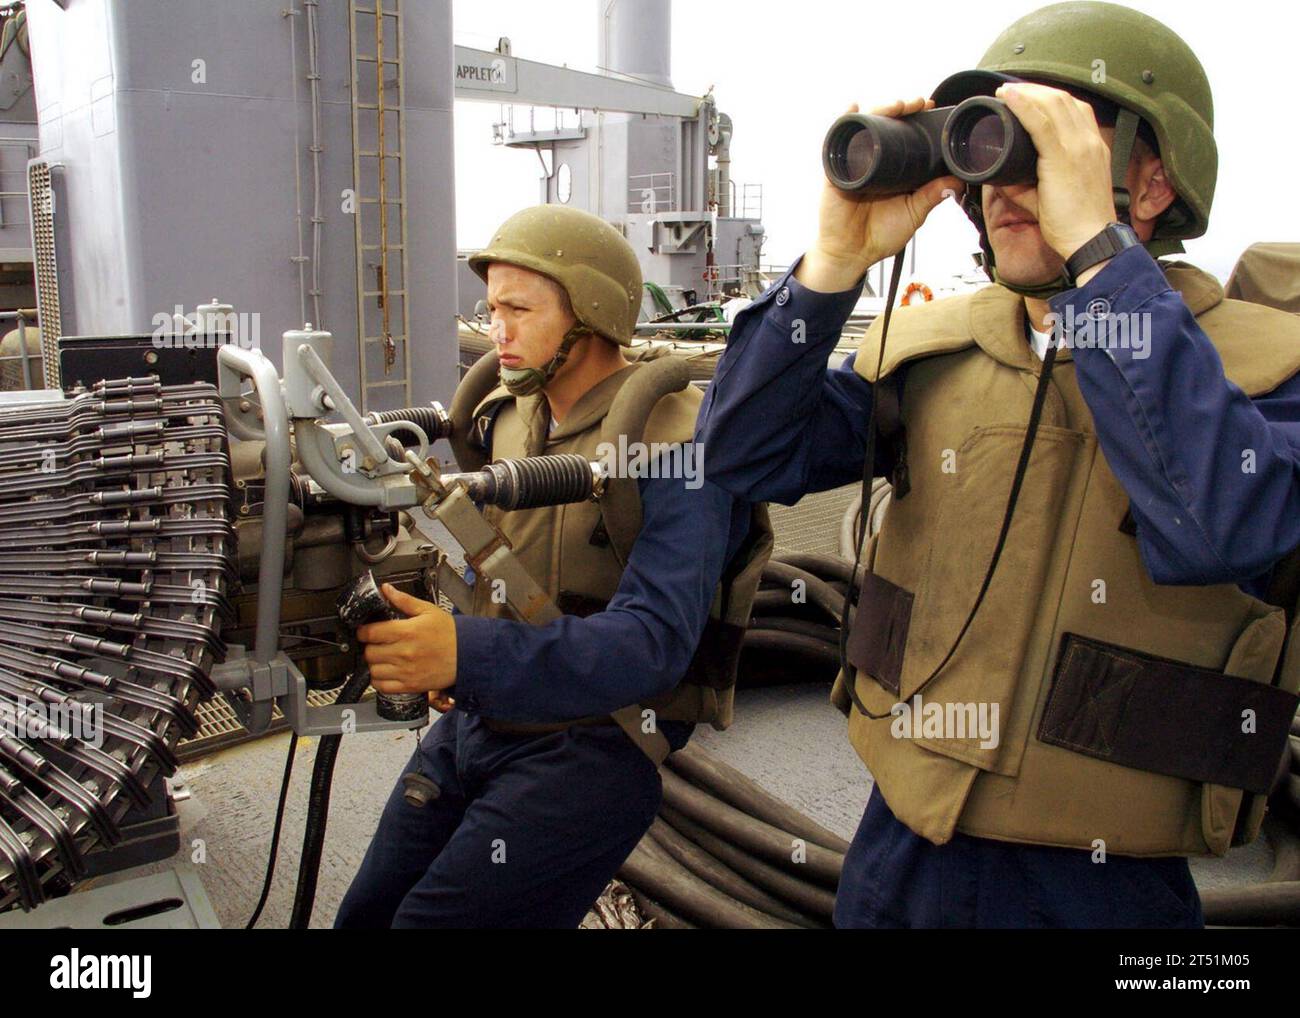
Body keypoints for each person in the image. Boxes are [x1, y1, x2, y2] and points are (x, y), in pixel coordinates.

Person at [694, 0, 1300, 928]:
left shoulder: (1264, 369)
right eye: (989, 148)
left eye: (1052, 148)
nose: (1008, 183)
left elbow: (1224, 522)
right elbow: (740, 456)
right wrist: (831, 265)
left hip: (1105, 885)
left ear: (1153, 180)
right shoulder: (939, 350)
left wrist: (1099, 262)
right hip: (898, 849)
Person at [335, 204, 770, 928]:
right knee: (366, 916)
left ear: (591, 314)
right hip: (485, 718)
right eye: (490, 307)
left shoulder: (678, 444)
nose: (495, 329)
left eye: (518, 308)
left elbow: (654, 646)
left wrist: (461, 653)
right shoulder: (509, 413)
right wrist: (450, 647)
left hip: (595, 748)